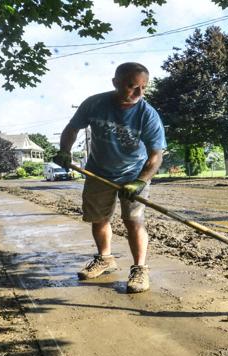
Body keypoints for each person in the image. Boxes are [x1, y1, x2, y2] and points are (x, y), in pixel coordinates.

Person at [56, 62, 167, 295]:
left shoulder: (148, 114)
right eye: (131, 86)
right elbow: (72, 127)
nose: (139, 93)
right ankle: (105, 259)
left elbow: (157, 154)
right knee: (99, 218)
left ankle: (140, 269)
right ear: (115, 83)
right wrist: (65, 151)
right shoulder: (95, 104)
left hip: (135, 173)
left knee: (133, 220)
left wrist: (141, 181)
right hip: (98, 171)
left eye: (143, 87)